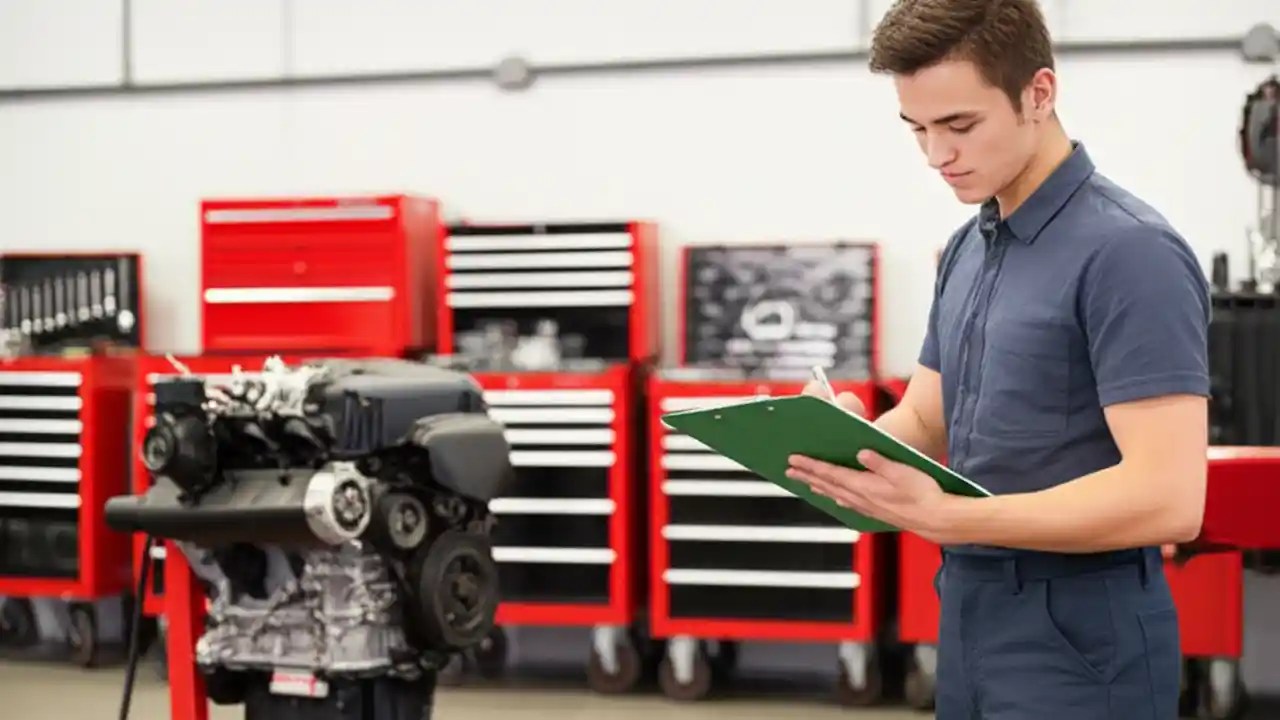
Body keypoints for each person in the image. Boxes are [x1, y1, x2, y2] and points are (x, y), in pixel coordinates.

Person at [785, 1, 1211, 717]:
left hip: (1084, 633)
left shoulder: (1130, 253)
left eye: (959, 125)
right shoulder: (967, 249)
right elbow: (927, 417)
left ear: (1038, 94)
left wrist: (952, 519)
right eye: (917, 129)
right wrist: (841, 444)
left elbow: (1169, 499)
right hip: (971, 612)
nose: (936, 154)